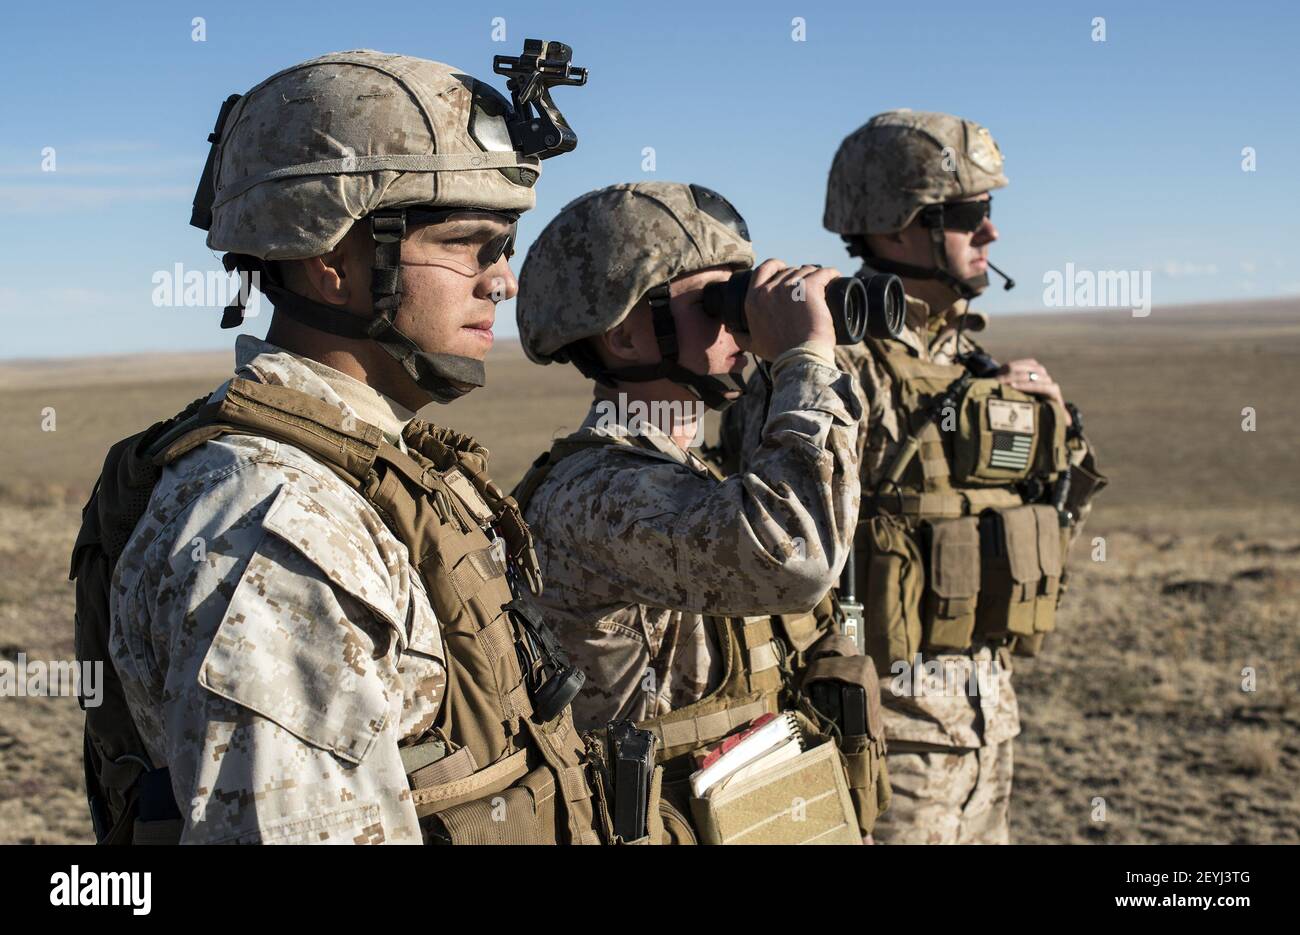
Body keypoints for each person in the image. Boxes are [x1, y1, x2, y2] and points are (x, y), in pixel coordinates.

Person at [70, 47, 611, 845]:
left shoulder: (364, 468)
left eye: (506, 246)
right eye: (471, 244)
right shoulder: (279, 524)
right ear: (332, 261)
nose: (503, 281)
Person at [722, 110, 1107, 843]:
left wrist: (1059, 434)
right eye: (968, 214)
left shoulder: (979, 370)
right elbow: (763, 551)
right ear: (897, 229)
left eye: (987, 212)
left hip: (988, 724)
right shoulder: (826, 368)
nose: (990, 232)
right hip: (879, 742)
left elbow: (1048, 537)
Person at [511, 181, 889, 843]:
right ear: (627, 335)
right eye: (716, 301)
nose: (739, 320)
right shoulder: (595, 493)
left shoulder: (693, 475)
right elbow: (797, 558)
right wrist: (803, 357)